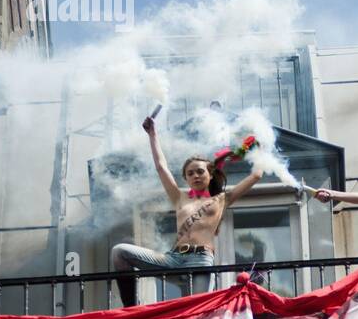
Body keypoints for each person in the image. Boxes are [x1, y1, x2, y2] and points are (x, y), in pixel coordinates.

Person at [111, 115, 264, 307]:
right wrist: (152, 134)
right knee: (119, 252)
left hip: (200, 260)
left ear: (210, 175)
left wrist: (257, 146)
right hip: (173, 258)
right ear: (186, 178)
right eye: (190, 173)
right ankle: (131, 308)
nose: (195, 175)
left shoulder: (221, 199)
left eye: (200, 171)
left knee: (198, 311)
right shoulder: (179, 197)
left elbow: (257, 174)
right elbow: (161, 167)